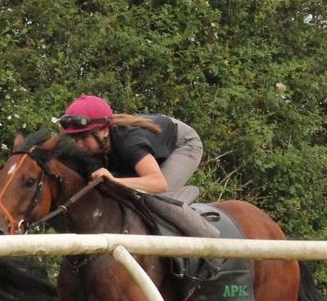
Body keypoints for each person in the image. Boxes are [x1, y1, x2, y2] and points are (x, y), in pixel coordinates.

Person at [58, 94, 219, 238]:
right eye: (75, 138)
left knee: (157, 199)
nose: (80, 145)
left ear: (105, 131)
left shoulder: (129, 141)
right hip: (151, 148)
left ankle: (211, 241)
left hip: (183, 143)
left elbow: (158, 183)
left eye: (85, 137)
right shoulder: (97, 142)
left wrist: (115, 180)